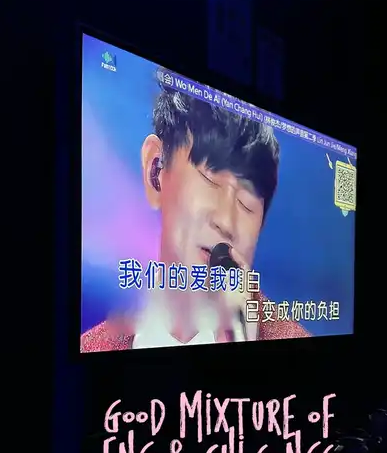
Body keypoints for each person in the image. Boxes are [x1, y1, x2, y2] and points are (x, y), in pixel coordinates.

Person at [81, 79, 309, 351]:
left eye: (247, 204)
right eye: (210, 179)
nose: (226, 222)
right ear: (156, 170)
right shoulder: (91, 348)